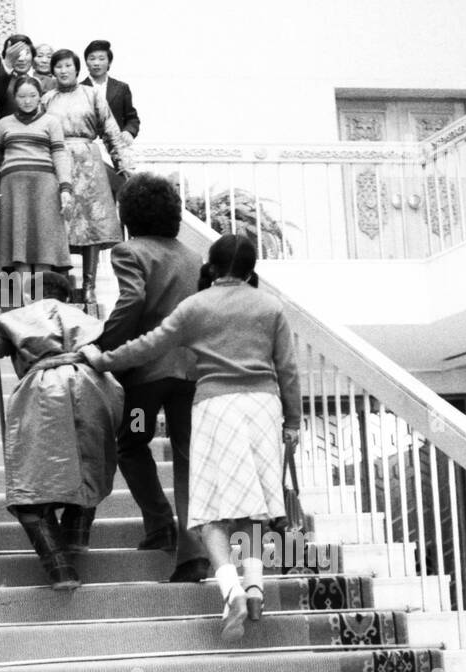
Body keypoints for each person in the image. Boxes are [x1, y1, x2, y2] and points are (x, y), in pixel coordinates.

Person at [82, 235, 302, 642]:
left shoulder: (196, 306)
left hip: (214, 407)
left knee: (210, 513)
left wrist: (103, 358)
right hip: (263, 408)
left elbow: (148, 346)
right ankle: (255, 588)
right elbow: (287, 368)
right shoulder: (271, 307)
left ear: (213, 269)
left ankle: (231, 591)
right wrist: (293, 421)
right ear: (253, 270)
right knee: (254, 507)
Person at [0, 272, 125, 589]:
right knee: (88, 465)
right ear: (67, 295)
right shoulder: (83, 316)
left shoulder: (22, 316)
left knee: (29, 482)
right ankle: (76, 535)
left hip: (43, 391)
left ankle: (60, 568)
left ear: (32, 296)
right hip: (93, 386)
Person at [96, 172, 211, 582]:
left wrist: (103, 348)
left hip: (145, 377)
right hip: (189, 374)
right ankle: (192, 552)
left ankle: (159, 521)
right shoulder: (192, 257)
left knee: (132, 442)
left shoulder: (129, 251)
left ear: (129, 213)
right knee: (186, 458)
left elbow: (133, 301)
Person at [43, 48, 130, 304]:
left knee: (91, 223)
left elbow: (111, 131)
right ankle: (62, 285)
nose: (63, 70)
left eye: (68, 65)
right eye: (58, 66)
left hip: (88, 162)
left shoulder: (92, 95)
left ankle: (90, 284)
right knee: (61, 222)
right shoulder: (47, 99)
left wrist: (122, 164)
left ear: (76, 68)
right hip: (57, 161)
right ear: (53, 71)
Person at [0, 76, 73, 275]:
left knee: (44, 246)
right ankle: (25, 301)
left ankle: (43, 300)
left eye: (32, 95)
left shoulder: (51, 122)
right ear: (15, 98)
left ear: (40, 97)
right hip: (12, 190)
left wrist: (65, 187)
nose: (27, 101)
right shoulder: (4, 123)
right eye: (22, 96)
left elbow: (59, 154)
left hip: (44, 188)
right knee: (19, 248)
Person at [81, 39, 141, 146]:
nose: (96, 63)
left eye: (101, 59)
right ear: (86, 62)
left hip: (116, 146)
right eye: (92, 59)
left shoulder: (121, 88)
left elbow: (132, 118)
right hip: (87, 147)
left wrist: (128, 131)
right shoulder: (79, 89)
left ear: (109, 62)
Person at [0, 34, 50, 118]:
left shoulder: (49, 82)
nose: (21, 59)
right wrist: (8, 63)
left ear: (33, 56)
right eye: (16, 55)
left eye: (26, 53)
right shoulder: (2, 82)